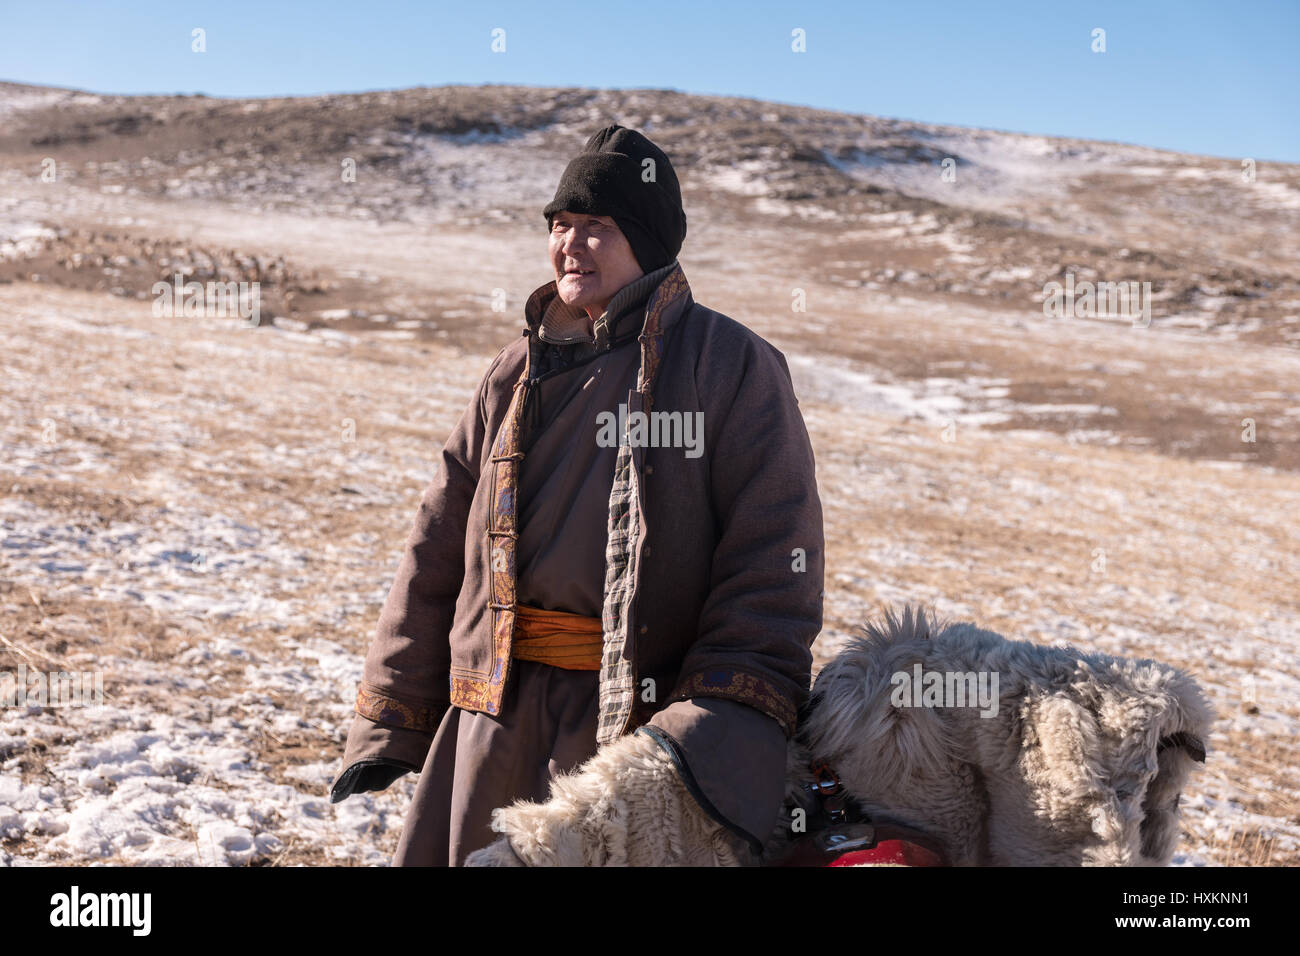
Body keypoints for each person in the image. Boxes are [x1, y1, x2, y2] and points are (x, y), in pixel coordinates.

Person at [330, 123, 825, 866]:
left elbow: (772, 554)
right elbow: (437, 544)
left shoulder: (731, 366)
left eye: (597, 227)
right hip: (490, 718)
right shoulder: (513, 372)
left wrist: (711, 727)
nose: (571, 244)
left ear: (649, 243)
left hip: (629, 725)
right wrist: (395, 709)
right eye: (561, 225)